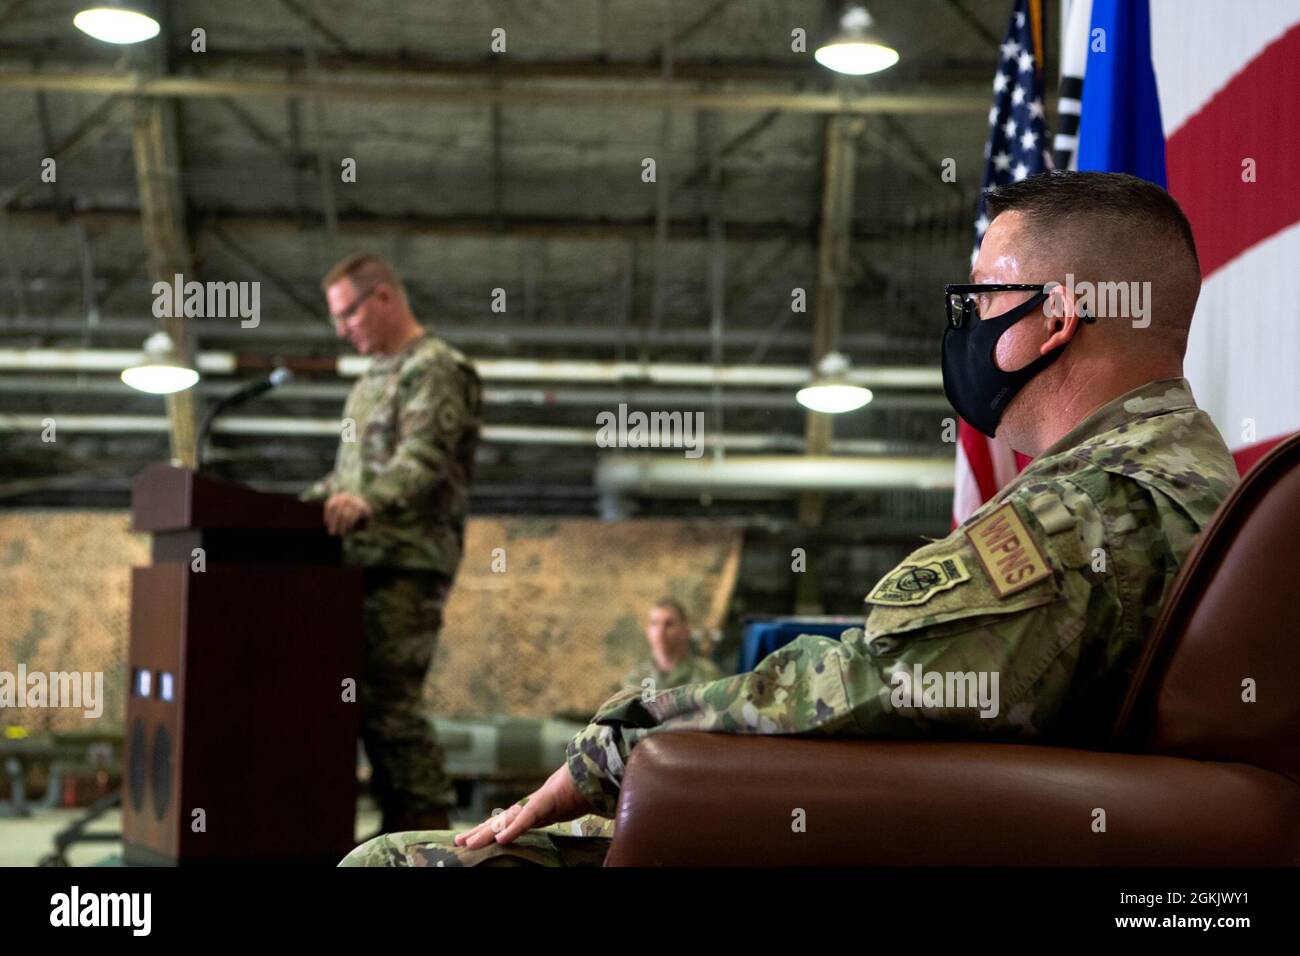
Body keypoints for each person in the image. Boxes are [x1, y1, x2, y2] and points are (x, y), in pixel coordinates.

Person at [340, 170, 1237, 867]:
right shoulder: (1187, 481)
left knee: (393, 858)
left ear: (1057, 322)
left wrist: (612, 749)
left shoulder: (1095, 508)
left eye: (983, 298)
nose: (965, 324)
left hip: (921, 839)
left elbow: (873, 689)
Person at [303, 253, 482, 834]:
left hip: (405, 564)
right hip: (354, 564)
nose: (341, 328)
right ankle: (393, 837)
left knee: (392, 710)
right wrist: (292, 507)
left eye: (347, 312)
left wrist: (368, 504)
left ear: (382, 297)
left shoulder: (435, 367)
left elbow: (423, 459)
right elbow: (345, 479)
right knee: (360, 710)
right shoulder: (368, 382)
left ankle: (425, 837)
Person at [618, 598, 723, 696]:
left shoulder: (707, 676)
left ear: (685, 629)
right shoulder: (635, 680)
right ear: (648, 630)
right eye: (654, 623)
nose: (660, 631)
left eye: (669, 624)